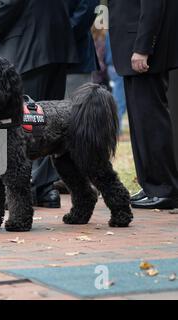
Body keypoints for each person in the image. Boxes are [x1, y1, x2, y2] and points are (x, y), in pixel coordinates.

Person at [0, 0, 79, 208]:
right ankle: (44, 188)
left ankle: (22, 189)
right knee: (45, 121)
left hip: (25, 44)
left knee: (19, 122)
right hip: (56, 42)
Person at [109, 0, 178, 209]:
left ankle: (164, 188)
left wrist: (143, 47)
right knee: (140, 123)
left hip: (142, 49)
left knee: (151, 121)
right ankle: (150, 185)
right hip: (131, 45)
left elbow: (153, 5)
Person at [65, 0, 100, 97]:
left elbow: (88, 9)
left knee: (77, 108)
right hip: (48, 61)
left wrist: (61, 36)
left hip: (75, 60)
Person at [104, 33, 127, 134]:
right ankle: (115, 129)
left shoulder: (111, 30)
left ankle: (114, 127)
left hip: (111, 65)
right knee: (119, 100)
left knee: (117, 99)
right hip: (118, 65)